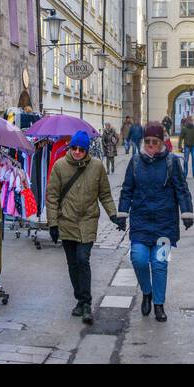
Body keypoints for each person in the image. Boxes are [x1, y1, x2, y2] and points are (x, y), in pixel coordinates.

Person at [46, 130, 124, 323]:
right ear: (70, 147)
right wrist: (53, 224)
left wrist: (114, 215)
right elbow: (52, 197)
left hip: (88, 220)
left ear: (87, 150)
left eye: (82, 149)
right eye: (74, 148)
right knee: (72, 264)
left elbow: (105, 194)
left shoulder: (97, 166)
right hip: (67, 221)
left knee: (83, 259)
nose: (78, 152)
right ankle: (79, 300)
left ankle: (87, 303)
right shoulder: (60, 166)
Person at [118, 123, 193, 323]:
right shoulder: (135, 162)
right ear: (144, 141)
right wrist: (122, 213)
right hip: (141, 223)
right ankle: (147, 292)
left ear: (161, 142)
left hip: (165, 225)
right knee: (139, 258)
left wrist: (186, 212)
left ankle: (158, 304)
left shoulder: (171, 162)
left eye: (155, 142)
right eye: (148, 141)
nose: (151, 145)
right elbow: (127, 189)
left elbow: (181, 189)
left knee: (159, 264)